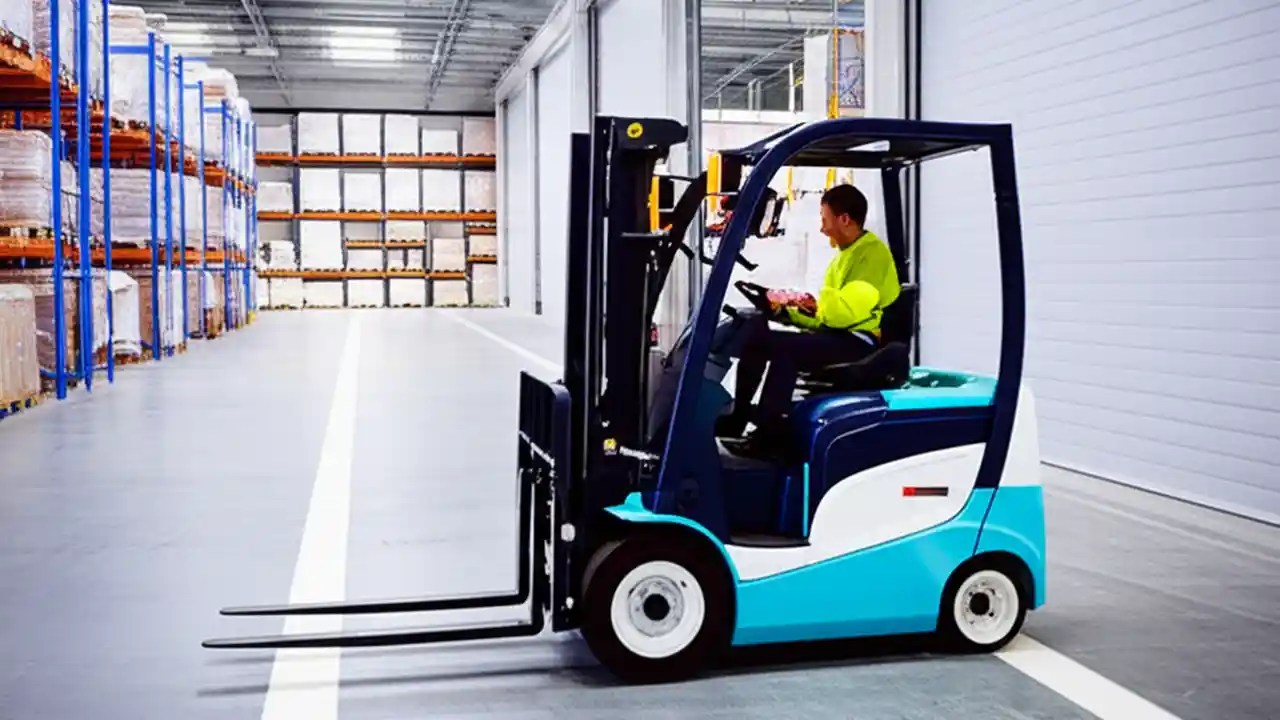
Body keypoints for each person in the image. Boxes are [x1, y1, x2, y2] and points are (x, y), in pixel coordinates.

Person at [721, 183, 900, 445]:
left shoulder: (872, 256)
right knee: (758, 336)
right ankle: (740, 415)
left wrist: (814, 302)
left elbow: (843, 313)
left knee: (787, 351)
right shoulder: (844, 257)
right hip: (840, 336)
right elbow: (827, 317)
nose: (821, 227)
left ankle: (771, 434)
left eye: (824, 219)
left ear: (844, 219)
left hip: (860, 344)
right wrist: (786, 312)